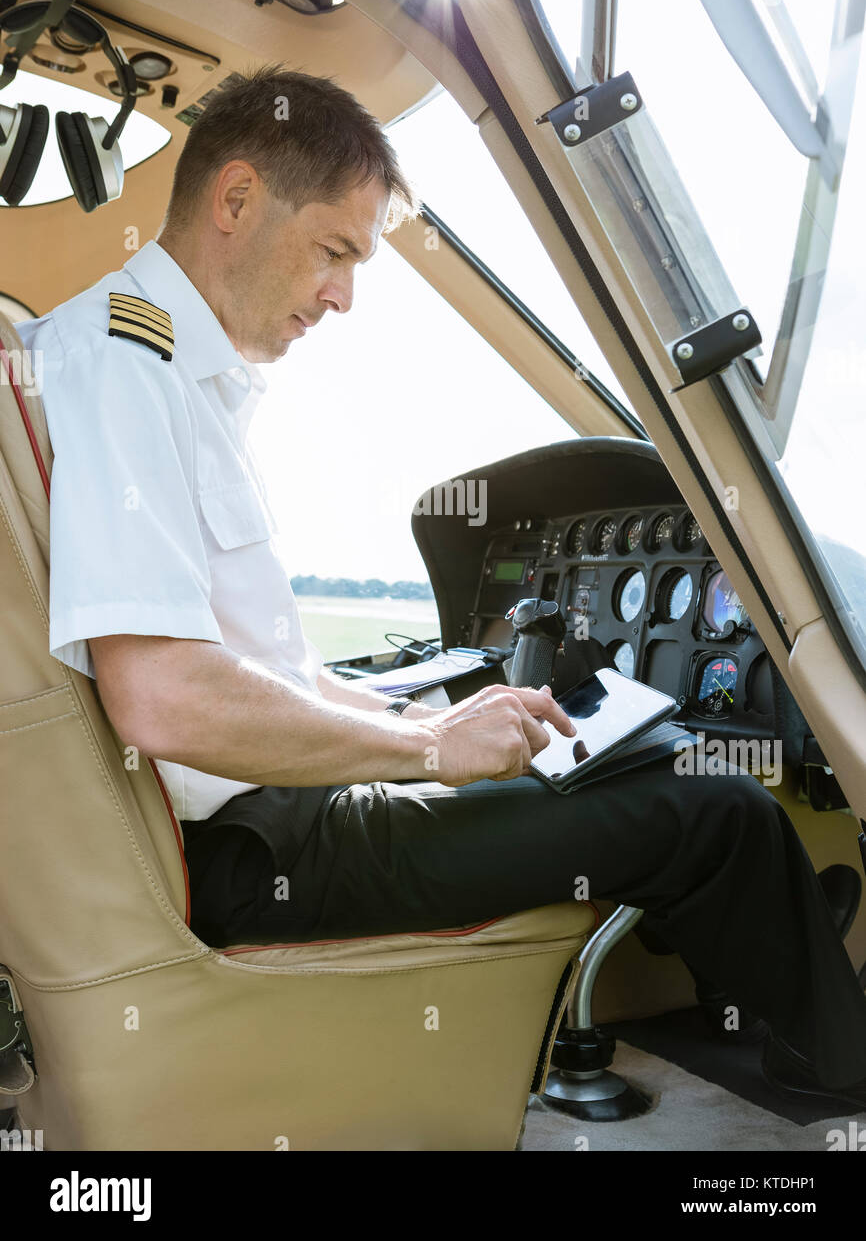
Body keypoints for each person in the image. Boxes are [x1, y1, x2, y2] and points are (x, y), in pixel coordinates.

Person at [16, 66, 866, 1113]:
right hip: (252, 848)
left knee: (595, 771)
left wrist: (422, 713)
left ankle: (765, 941)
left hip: (255, 818)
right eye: (335, 251)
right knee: (714, 812)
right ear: (235, 201)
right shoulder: (124, 361)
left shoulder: (155, 367)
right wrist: (425, 749)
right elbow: (164, 696)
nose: (343, 294)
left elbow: (252, 670)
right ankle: (831, 1064)